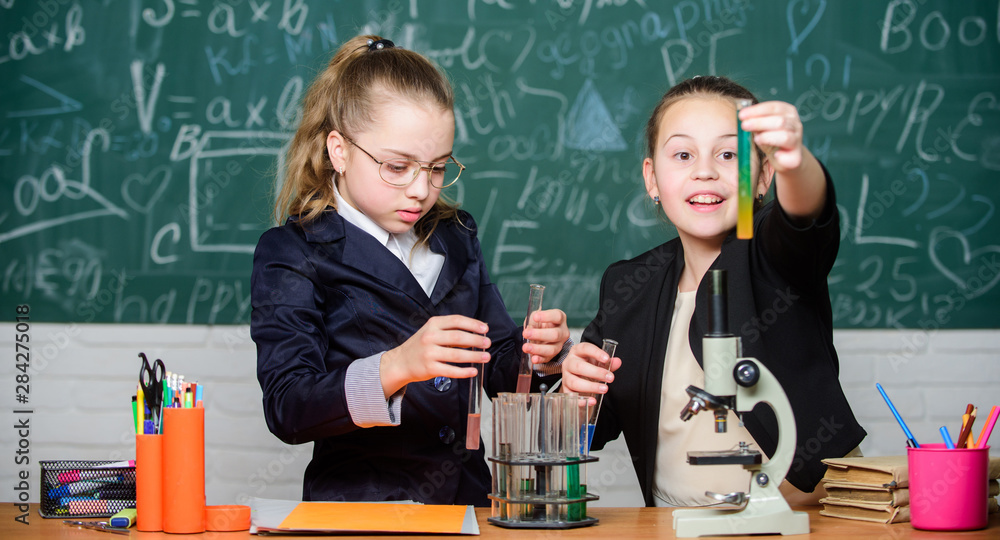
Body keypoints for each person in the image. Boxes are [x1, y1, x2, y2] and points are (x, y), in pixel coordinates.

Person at [251, 35, 570, 507]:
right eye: (398, 167)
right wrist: (397, 366)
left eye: (438, 167)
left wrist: (537, 353)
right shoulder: (294, 252)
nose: (421, 190)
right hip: (362, 515)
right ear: (339, 150)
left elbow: (497, 361)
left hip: (470, 505)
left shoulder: (456, 235)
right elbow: (289, 408)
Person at [560, 75, 866, 507]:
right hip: (673, 527)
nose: (705, 170)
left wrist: (796, 163)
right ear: (652, 178)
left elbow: (807, 219)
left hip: (809, 518)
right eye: (683, 154)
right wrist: (576, 393)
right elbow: (592, 428)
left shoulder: (774, 255)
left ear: (763, 176)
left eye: (728, 154)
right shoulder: (630, 284)